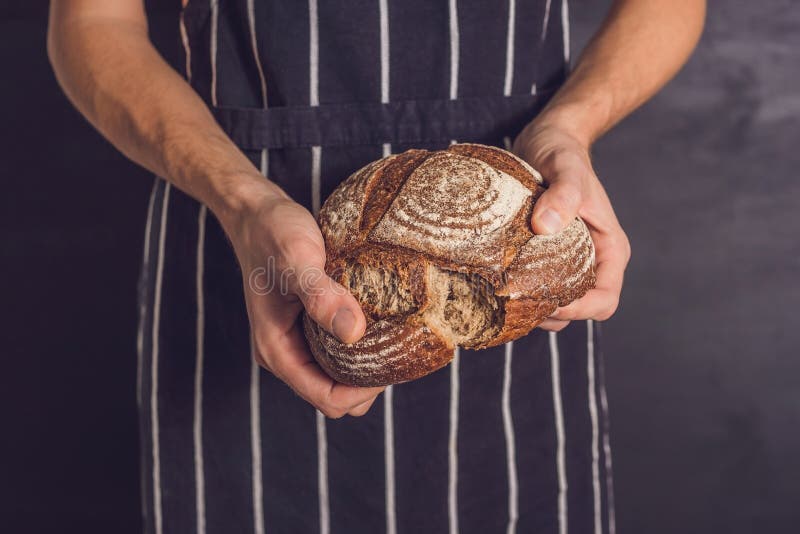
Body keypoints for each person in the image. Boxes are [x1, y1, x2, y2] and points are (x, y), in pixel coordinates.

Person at [49, 1, 704, 532]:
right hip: (243, 229)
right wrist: (241, 200)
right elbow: (93, 23)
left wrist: (571, 126)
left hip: (510, 246)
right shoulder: (240, 209)